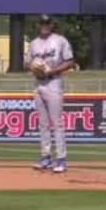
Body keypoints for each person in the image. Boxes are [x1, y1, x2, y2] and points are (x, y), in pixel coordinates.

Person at [27, 15, 75, 173]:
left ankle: (61, 159)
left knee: (57, 123)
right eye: (42, 23)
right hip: (39, 83)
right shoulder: (33, 43)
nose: (44, 25)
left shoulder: (60, 40)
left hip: (54, 82)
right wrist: (34, 68)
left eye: (47, 23)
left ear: (51, 25)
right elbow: (28, 62)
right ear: (38, 25)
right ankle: (45, 157)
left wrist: (52, 71)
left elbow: (70, 62)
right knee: (43, 124)